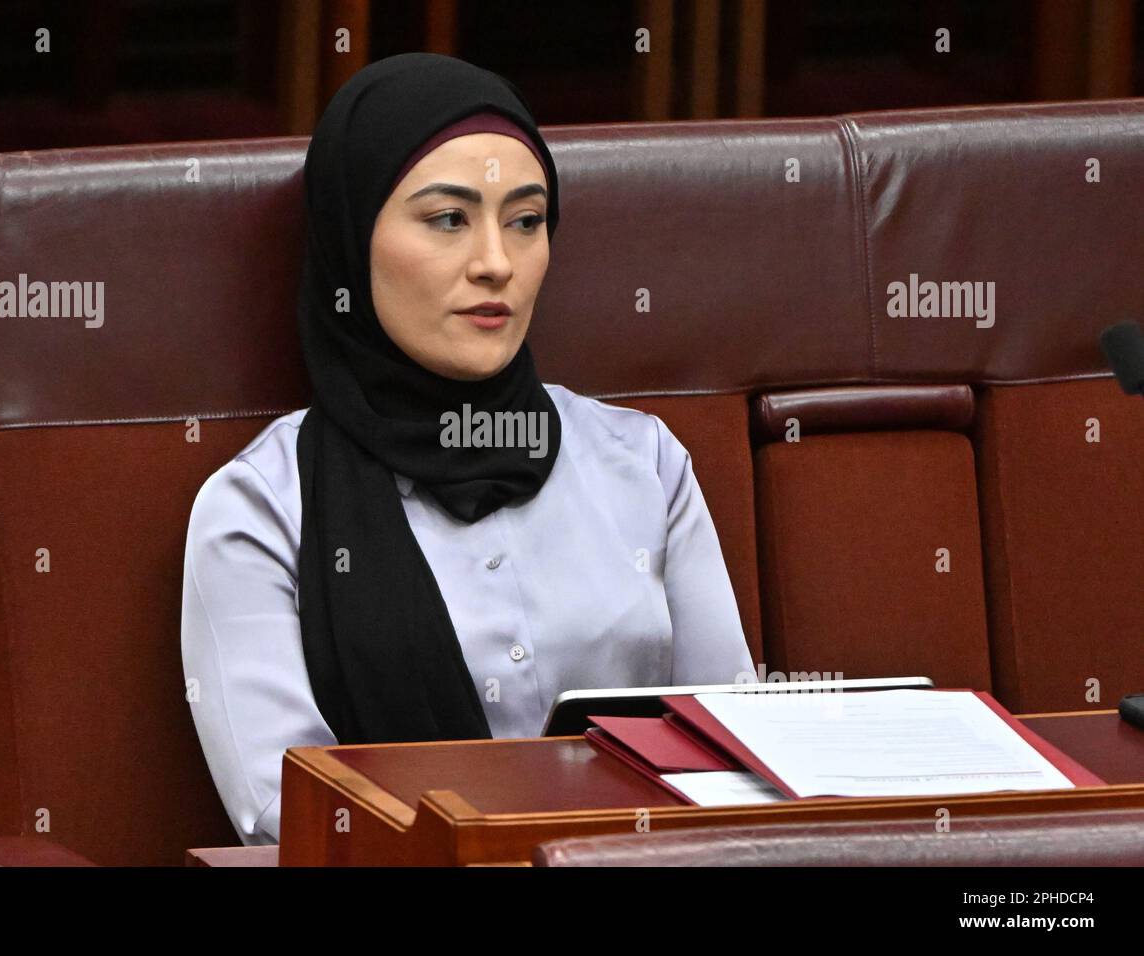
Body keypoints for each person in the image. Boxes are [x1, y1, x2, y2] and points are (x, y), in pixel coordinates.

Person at [181, 52, 753, 846]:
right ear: (353, 239)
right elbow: (292, 818)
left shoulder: (643, 462)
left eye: (525, 220)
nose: (496, 262)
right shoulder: (263, 506)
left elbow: (738, 756)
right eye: (448, 219)